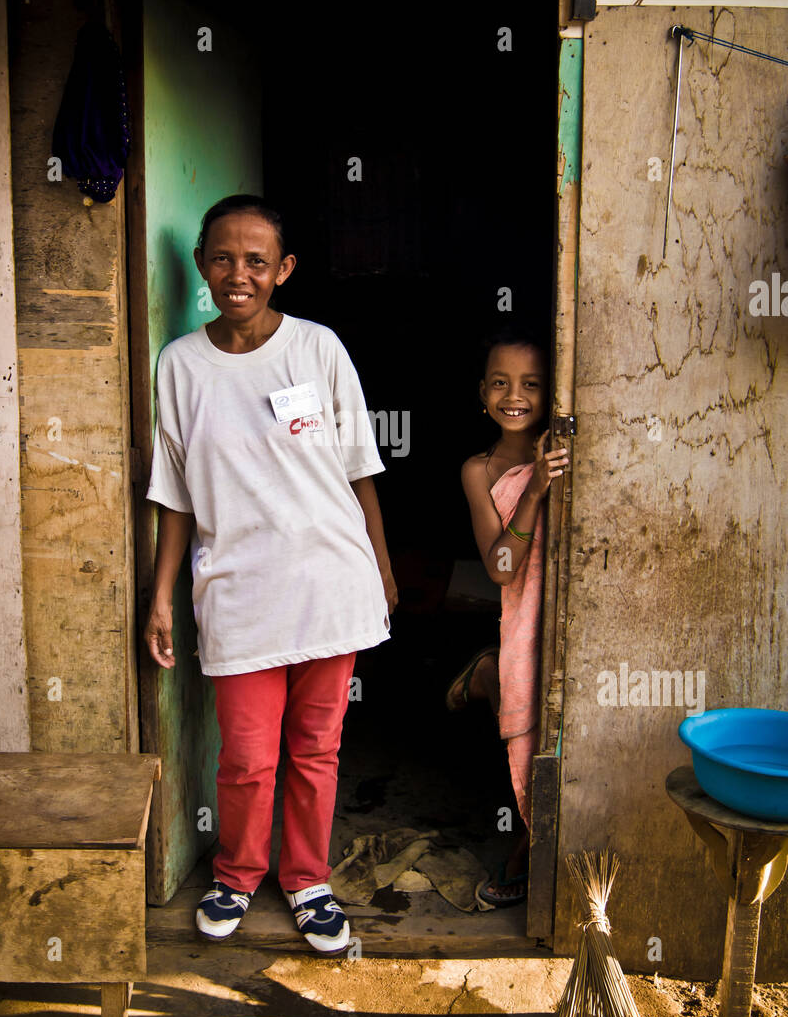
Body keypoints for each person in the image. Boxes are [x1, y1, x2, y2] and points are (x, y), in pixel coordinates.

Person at [144, 194, 397, 953]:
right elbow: (174, 493)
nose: (238, 274)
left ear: (282, 270)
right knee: (247, 756)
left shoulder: (317, 350)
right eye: (222, 257)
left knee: (316, 748)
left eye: (256, 260)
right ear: (199, 266)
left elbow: (359, 471)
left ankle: (307, 880)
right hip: (237, 591)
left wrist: (381, 569)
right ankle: (237, 872)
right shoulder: (181, 365)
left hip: (329, 580)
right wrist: (162, 596)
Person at [447, 323, 568, 906]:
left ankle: (488, 673)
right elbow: (500, 567)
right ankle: (527, 845)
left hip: (569, 614)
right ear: (482, 392)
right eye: (500, 383)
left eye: (530, 385)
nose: (513, 395)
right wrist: (535, 490)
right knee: (527, 728)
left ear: (552, 393)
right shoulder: (481, 471)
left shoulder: (570, 453)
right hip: (521, 615)